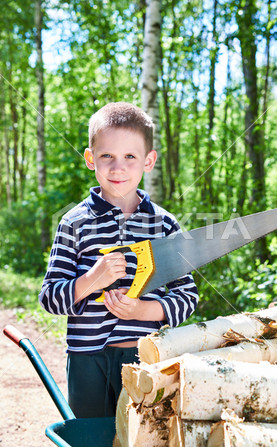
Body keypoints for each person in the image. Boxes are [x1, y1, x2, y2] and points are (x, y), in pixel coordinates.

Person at [39, 102, 199, 418]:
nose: (118, 168)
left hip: (147, 357)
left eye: (130, 157)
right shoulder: (74, 222)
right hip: (88, 360)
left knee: (144, 436)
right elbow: (50, 298)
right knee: (94, 437)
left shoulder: (163, 224)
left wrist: (144, 310)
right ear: (90, 159)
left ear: (148, 161)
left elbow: (187, 297)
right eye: (107, 156)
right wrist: (90, 280)